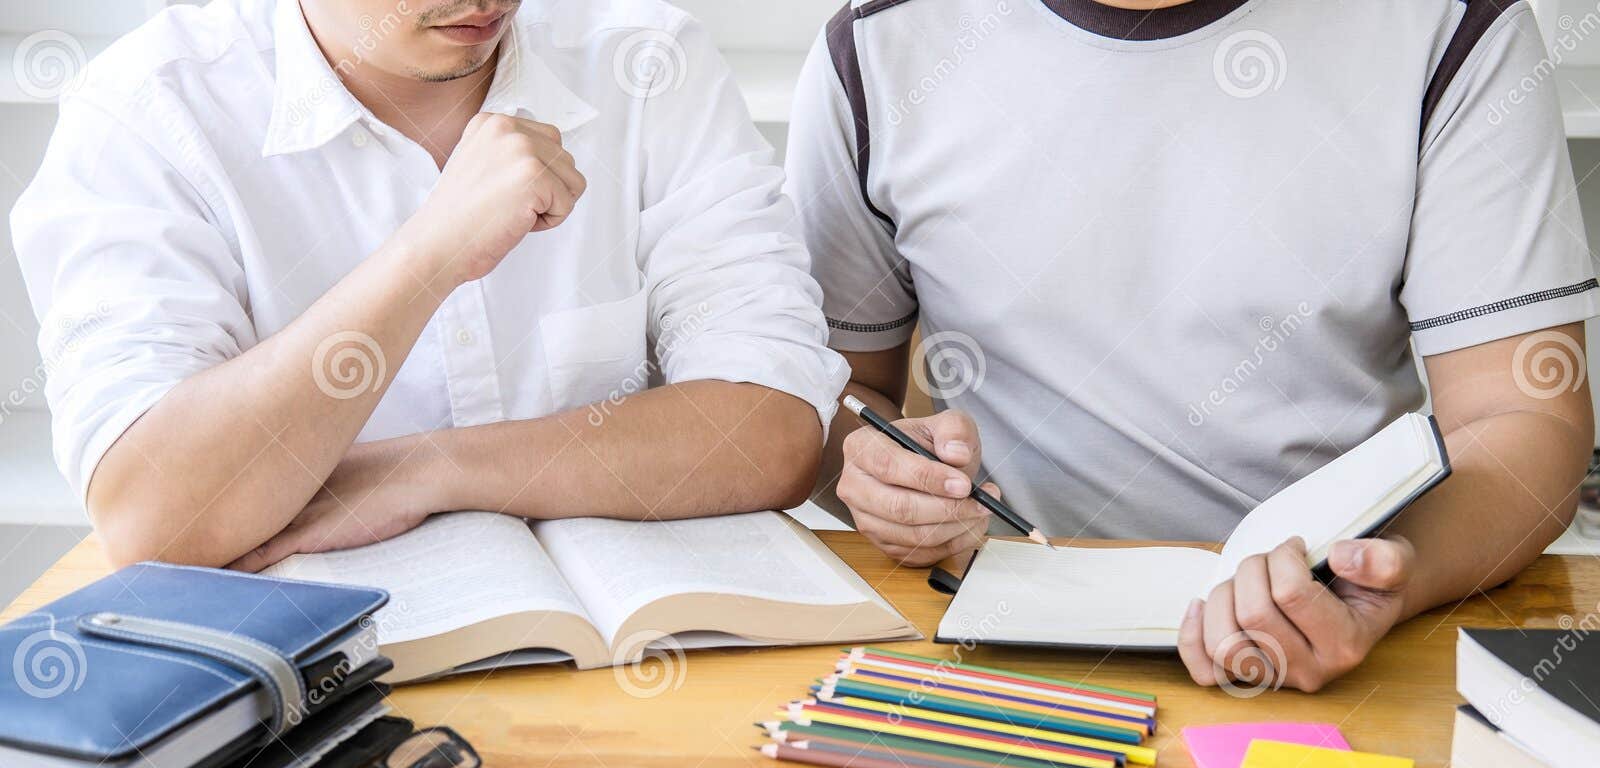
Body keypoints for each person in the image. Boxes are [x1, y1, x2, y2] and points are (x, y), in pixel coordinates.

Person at [786, 0, 1598, 691]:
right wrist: (876, 471)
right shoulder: (880, 45)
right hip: (993, 653)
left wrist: (1393, 571)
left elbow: (1525, 414)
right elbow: (835, 399)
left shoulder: (1452, 27)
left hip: (1350, 645)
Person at [11, 0, 848, 571]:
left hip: (624, 667)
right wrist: (429, 255)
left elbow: (771, 427)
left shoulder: (644, 58)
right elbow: (154, 511)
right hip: (309, 702)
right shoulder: (148, 112)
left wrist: (429, 470)